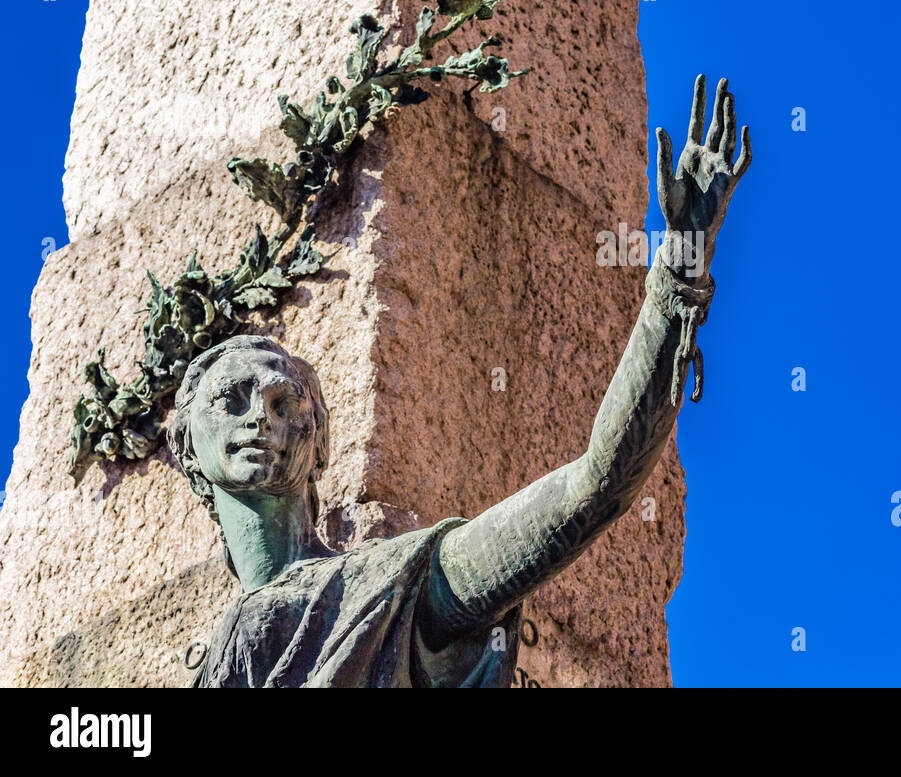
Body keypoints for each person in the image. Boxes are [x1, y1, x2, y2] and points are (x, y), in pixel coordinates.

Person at [173, 76, 751, 687]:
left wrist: (680, 269)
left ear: (317, 444)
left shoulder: (394, 588)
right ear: (188, 448)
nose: (260, 415)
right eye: (230, 400)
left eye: (284, 401)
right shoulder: (211, 663)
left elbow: (595, 485)